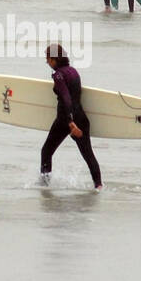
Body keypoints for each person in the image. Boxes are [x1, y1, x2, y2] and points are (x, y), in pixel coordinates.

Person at [39, 43, 102, 189]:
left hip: (65, 120)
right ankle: (98, 186)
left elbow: (66, 98)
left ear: (54, 59)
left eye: (47, 59)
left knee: (46, 151)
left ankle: (44, 185)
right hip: (81, 118)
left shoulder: (58, 75)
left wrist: (70, 122)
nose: (47, 62)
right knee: (88, 155)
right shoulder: (73, 71)